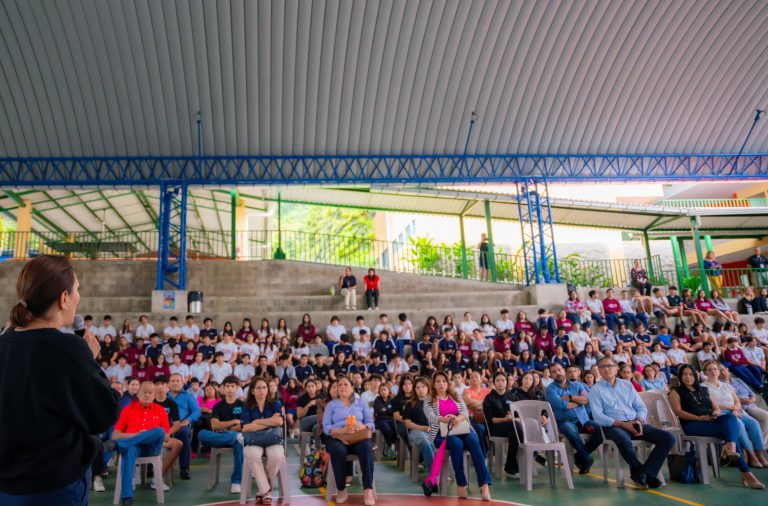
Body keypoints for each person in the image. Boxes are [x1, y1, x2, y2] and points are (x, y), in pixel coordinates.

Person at [0, 255, 121, 505]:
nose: (78, 297)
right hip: (53, 486)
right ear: (63, 298)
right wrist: (90, 360)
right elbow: (103, 414)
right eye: (77, 290)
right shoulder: (68, 348)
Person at [669, 364, 765, 489]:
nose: (688, 377)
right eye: (685, 374)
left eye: (691, 374)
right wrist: (698, 418)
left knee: (730, 418)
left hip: (710, 420)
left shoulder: (703, 390)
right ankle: (746, 473)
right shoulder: (675, 392)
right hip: (692, 424)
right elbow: (678, 412)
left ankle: (731, 448)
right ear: (680, 376)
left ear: (695, 376)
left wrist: (715, 414)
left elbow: (717, 408)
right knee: (732, 433)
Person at [587, 357, 676, 488]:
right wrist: (623, 424)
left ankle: (645, 473)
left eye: (610, 365)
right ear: (598, 371)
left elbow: (640, 407)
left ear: (616, 368)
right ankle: (641, 473)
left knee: (668, 438)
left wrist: (639, 420)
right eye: (603, 367)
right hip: (613, 425)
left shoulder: (627, 385)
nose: (607, 369)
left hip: (635, 422)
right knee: (623, 439)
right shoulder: (595, 390)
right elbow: (598, 416)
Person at [424, 371, 491, 500]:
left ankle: (484, 485)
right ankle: (461, 484)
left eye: (443, 381)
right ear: (433, 384)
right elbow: (431, 417)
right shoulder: (429, 400)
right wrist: (445, 419)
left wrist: (458, 418)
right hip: (442, 433)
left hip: (462, 428)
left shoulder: (455, 395)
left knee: (473, 440)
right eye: (438, 381)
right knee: (456, 443)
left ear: (448, 383)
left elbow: (465, 411)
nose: (441, 384)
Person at [108, 381, 170, 506]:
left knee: (159, 431)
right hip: (134, 447)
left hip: (152, 447)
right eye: (144, 392)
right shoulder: (127, 409)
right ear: (138, 394)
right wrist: (138, 436)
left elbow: (166, 437)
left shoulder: (161, 411)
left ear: (154, 395)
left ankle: (119, 445)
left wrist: (145, 434)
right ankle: (127, 497)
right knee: (129, 450)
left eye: (150, 393)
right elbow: (115, 435)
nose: (147, 395)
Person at [323, 375, 376, 505]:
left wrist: (363, 426)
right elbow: (326, 427)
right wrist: (339, 430)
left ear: (352, 388)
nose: (342, 387)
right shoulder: (331, 405)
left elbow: (371, 424)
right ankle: (341, 489)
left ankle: (368, 489)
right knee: (337, 450)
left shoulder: (361, 403)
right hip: (338, 437)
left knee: (366, 447)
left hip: (358, 436)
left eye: (345, 384)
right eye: (339, 385)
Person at [546, 363, 603, 474]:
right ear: (551, 375)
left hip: (583, 420)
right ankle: (587, 458)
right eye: (554, 372)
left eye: (559, 370)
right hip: (565, 421)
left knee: (601, 429)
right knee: (571, 431)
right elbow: (563, 405)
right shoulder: (550, 389)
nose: (557, 373)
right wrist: (579, 402)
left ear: (564, 370)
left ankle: (580, 456)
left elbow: (588, 400)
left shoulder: (577, 385)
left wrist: (571, 397)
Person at [241, 376, 286, 504]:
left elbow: (279, 421)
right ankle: (266, 491)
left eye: (264, 387)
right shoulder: (247, 406)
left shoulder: (275, 404)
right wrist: (269, 422)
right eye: (258, 388)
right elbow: (245, 427)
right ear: (252, 391)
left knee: (277, 455)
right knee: (251, 454)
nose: (262, 390)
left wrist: (257, 422)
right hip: (254, 440)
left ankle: (262, 491)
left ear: (268, 390)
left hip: (273, 440)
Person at [199, 375, 245, 494]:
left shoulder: (242, 405)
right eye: (227, 386)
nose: (230, 389)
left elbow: (243, 425)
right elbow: (215, 425)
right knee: (202, 434)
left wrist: (226, 426)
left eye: (232, 386)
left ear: (237, 388)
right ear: (223, 388)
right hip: (222, 437)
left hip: (236, 436)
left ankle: (236, 482)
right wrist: (234, 422)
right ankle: (234, 437)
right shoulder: (218, 406)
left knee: (239, 445)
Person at [482, 371, 521, 477]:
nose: (500, 383)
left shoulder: (512, 397)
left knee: (515, 433)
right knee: (517, 427)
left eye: (503, 380)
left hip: (511, 427)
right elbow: (491, 420)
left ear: (507, 382)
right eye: (498, 381)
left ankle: (510, 467)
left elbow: (521, 415)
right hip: (495, 429)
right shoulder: (489, 398)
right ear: (494, 383)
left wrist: (512, 418)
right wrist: (506, 419)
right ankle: (512, 466)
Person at [168, 373, 201, 479]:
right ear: (169, 383)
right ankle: (151, 468)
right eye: (173, 381)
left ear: (183, 383)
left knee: (183, 433)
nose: (175, 383)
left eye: (178, 381)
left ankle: (184, 468)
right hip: (165, 424)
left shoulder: (188, 396)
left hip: (181, 425)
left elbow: (197, 411)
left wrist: (188, 420)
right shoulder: (164, 396)